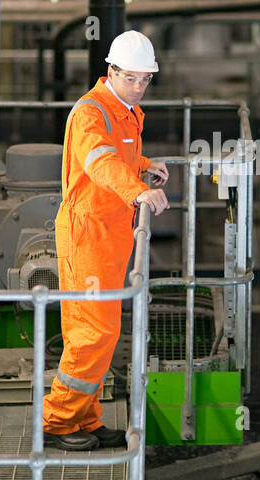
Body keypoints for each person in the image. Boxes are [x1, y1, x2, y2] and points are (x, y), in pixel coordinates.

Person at [41, 30, 170, 450]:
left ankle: (86, 418)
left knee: (101, 332)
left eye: (145, 79)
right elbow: (100, 162)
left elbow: (122, 157)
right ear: (111, 71)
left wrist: (147, 165)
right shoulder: (91, 113)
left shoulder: (126, 109)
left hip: (111, 234)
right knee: (92, 332)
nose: (139, 86)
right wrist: (139, 191)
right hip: (89, 234)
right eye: (131, 77)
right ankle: (57, 421)